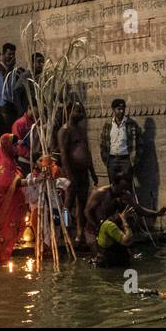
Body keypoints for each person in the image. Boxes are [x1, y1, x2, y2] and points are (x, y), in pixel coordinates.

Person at [58, 100, 97, 244]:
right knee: (68, 204)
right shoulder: (65, 130)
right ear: (69, 112)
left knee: (82, 203)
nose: (81, 114)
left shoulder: (80, 130)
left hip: (83, 172)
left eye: (81, 111)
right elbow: (63, 154)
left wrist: (92, 171)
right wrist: (69, 175)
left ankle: (80, 232)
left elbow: (87, 152)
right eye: (78, 111)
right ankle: (66, 229)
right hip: (72, 172)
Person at [0, 133, 28, 263]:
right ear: (7, 146)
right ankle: (3, 266)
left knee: (9, 235)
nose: (17, 148)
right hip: (4, 208)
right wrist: (34, 181)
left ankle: (5, 265)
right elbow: (10, 184)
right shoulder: (4, 163)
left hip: (12, 207)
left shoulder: (10, 162)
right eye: (14, 145)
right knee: (5, 236)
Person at [99, 97, 142, 194]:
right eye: (119, 109)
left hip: (126, 160)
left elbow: (139, 144)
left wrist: (134, 160)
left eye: (123, 109)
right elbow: (103, 143)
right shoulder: (108, 124)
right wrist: (106, 159)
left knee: (126, 186)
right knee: (113, 187)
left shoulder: (131, 124)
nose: (121, 111)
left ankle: (127, 208)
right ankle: (116, 208)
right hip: (112, 160)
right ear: (113, 110)